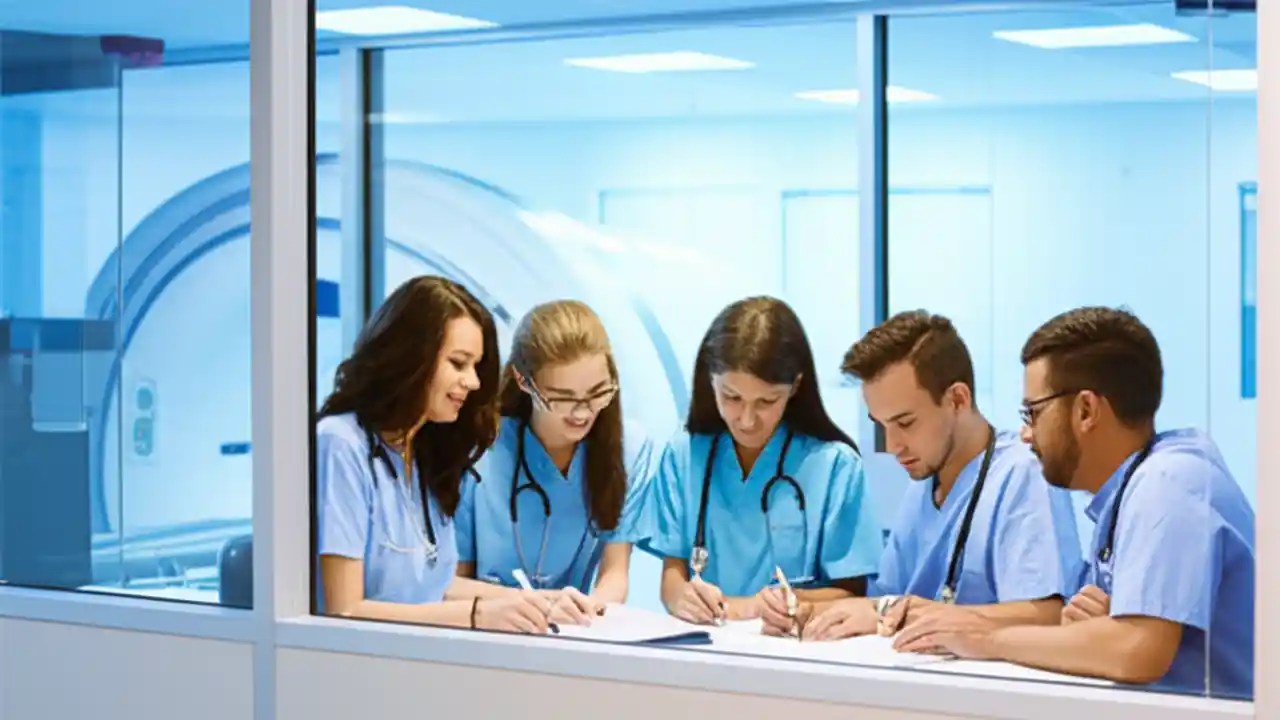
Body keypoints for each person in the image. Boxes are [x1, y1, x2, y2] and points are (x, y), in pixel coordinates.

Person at [895, 307, 1255, 699]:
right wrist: (1101, 630)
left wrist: (984, 638)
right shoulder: (1128, 491)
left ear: (1086, 410)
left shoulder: (1168, 482)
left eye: (1033, 413)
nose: (1026, 434)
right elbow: (1117, 636)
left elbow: (1137, 651)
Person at [765, 311, 1083, 640]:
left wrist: (892, 613)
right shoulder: (925, 480)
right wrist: (809, 610)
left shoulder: (1023, 474)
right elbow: (888, 597)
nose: (892, 446)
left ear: (957, 400)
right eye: (882, 426)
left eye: (905, 423)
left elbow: (1047, 614)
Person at [315, 276, 556, 634]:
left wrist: (536, 602)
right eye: (458, 364)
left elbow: (434, 587)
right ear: (410, 359)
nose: (473, 382)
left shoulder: (421, 451)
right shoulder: (341, 444)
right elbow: (345, 610)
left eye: (476, 366)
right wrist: (476, 616)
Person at [645, 296, 881, 627]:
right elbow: (673, 578)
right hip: (703, 644)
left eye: (766, 401)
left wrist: (768, 605)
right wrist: (682, 598)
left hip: (793, 647)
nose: (747, 420)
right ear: (711, 380)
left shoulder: (835, 467)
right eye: (732, 397)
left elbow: (852, 593)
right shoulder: (683, 455)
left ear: (795, 386)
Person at [454, 300, 656, 616]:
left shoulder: (630, 449)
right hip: (485, 625)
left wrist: (591, 609)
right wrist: (540, 603)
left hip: (575, 626)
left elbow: (614, 575)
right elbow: (452, 583)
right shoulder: (478, 448)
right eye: (562, 399)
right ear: (524, 381)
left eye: (598, 393)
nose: (583, 413)